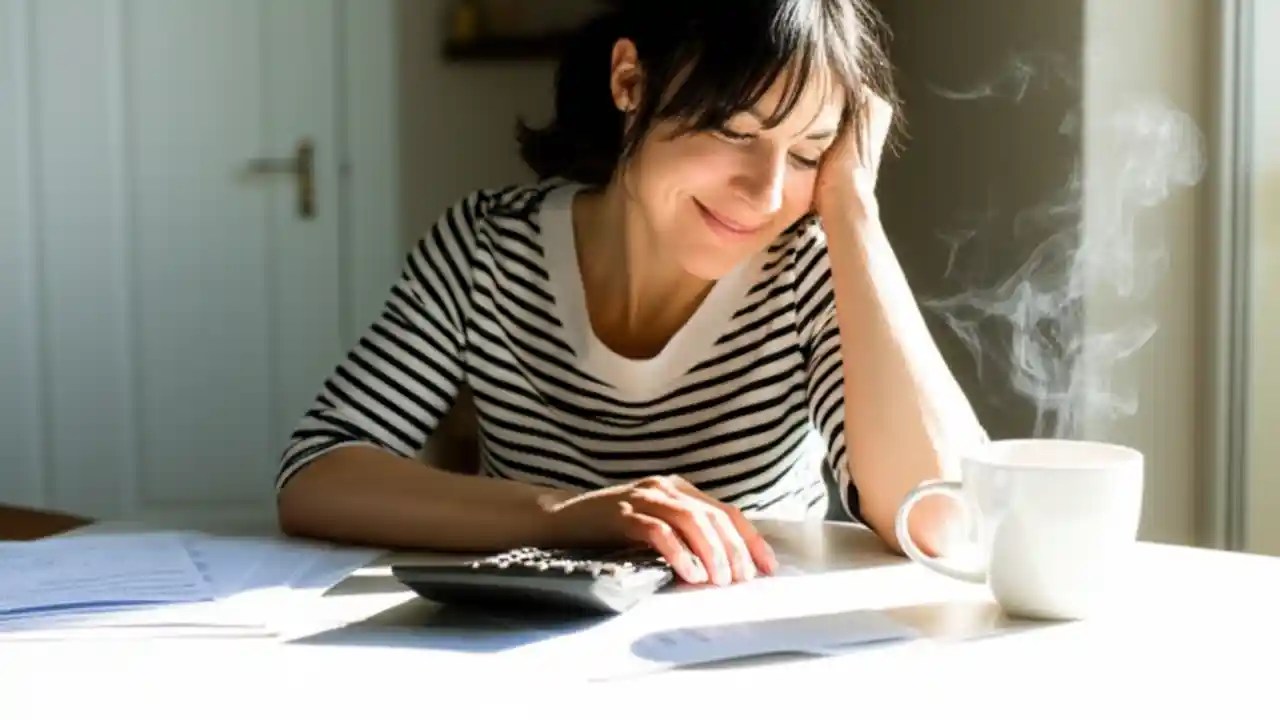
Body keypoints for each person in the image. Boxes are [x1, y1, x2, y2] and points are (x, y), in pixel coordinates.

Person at [275, 0, 988, 587]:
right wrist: (572, 513)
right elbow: (317, 475)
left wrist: (853, 210)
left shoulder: (808, 268)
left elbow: (944, 519)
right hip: (520, 662)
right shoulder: (487, 247)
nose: (767, 195)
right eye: (737, 132)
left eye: (807, 154)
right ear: (631, 83)